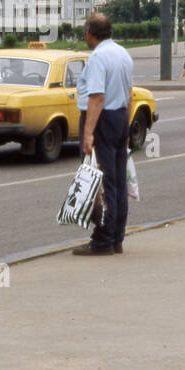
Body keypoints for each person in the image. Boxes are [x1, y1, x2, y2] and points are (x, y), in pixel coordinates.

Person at [72, 13, 135, 256]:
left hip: (103, 120)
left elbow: (96, 97)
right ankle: (117, 236)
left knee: (102, 180)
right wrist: (126, 128)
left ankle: (103, 240)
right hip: (119, 117)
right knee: (118, 180)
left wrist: (88, 133)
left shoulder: (98, 57)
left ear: (89, 33)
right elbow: (129, 95)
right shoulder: (123, 53)